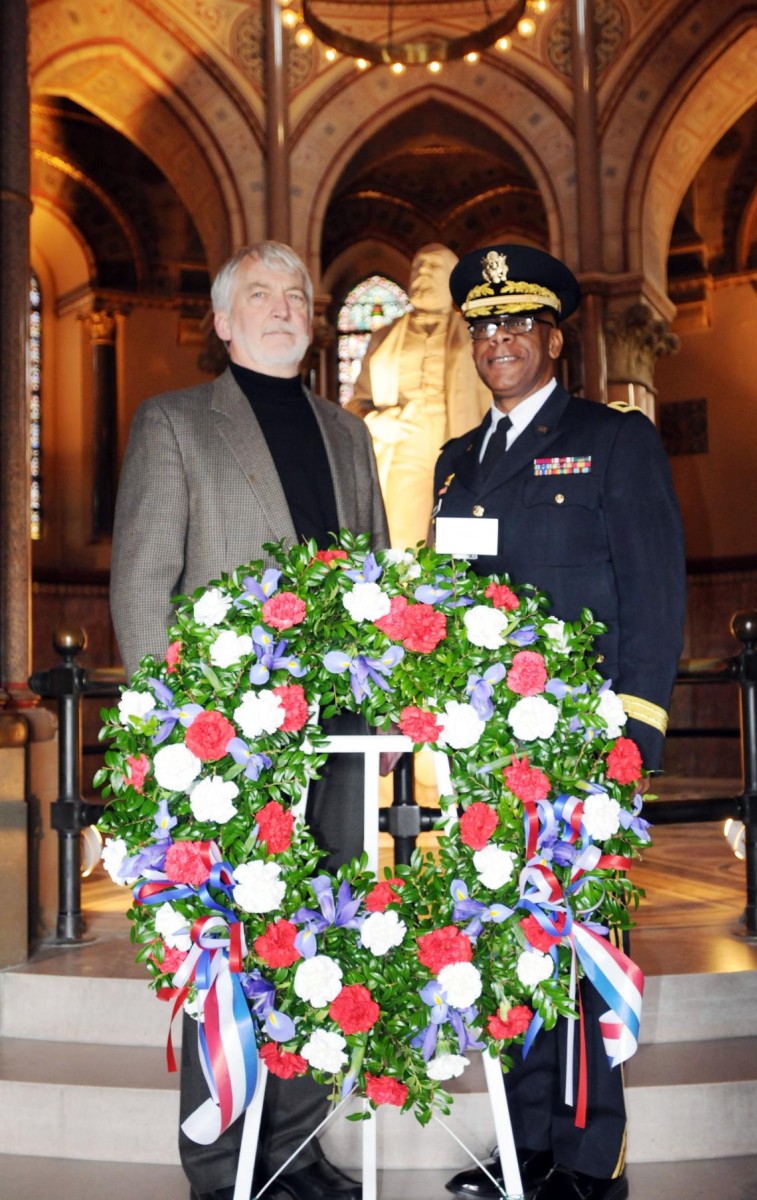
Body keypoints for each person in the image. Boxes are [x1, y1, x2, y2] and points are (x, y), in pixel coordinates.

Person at [110, 241, 389, 1200]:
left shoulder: (347, 434)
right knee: (230, 945)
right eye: (260, 297)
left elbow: (374, 580)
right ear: (223, 322)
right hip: (224, 745)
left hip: (341, 739)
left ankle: (296, 1152)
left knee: (318, 943)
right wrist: (168, 734)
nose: (283, 309)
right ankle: (222, 1162)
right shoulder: (175, 423)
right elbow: (144, 581)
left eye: (297, 297)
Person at [434, 245, 685, 1200]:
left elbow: (653, 594)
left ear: (552, 337)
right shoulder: (457, 465)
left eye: (515, 325)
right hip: (485, 756)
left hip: (584, 747)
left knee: (576, 954)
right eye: (481, 329)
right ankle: (525, 1142)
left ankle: (586, 1157)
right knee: (506, 944)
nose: (496, 342)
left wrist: (635, 736)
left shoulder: (613, 440)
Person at [349, 243, 490, 551]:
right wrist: (375, 422)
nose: (422, 274)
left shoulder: (478, 334)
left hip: (465, 456)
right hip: (402, 461)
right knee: (401, 551)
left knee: (459, 553)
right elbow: (355, 404)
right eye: (417, 267)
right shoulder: (384, 337)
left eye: (433, 268)